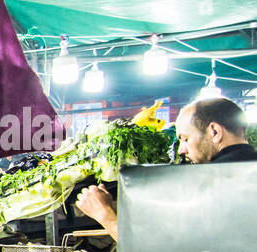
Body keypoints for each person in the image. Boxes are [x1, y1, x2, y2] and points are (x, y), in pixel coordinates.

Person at [77, 97, 253, 241]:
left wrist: (105, 216)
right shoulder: (249, 170)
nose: (182, 149)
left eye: (185, 139)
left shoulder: (209, 183)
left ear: (214, 131)